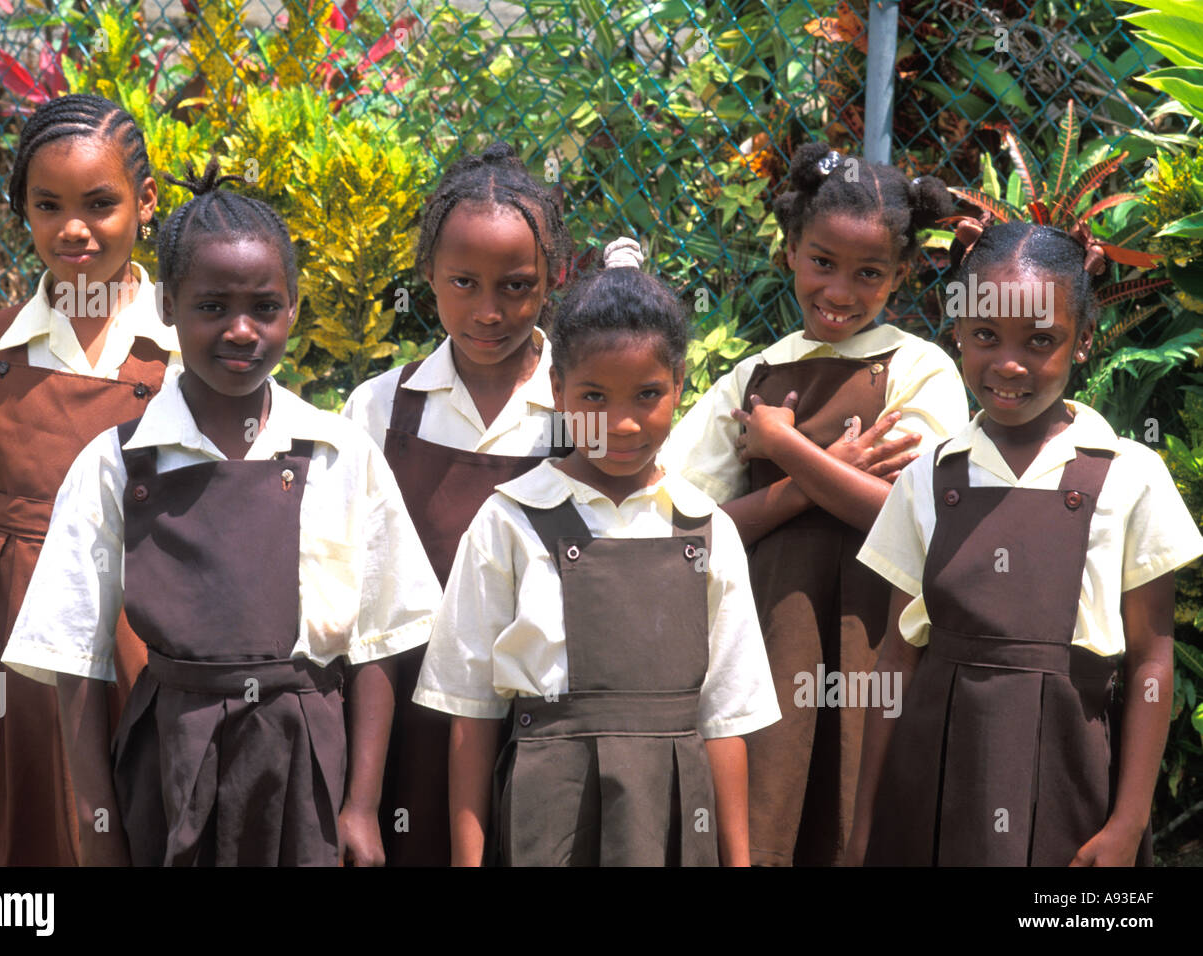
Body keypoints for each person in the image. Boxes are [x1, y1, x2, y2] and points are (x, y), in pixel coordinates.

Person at [1, 161, 440, 866]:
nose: (241, 330)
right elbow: (73, 656)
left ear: (293, 307)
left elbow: (380, 639)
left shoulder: (337, 453)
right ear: (168, 307)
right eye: (211, 308)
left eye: (264, 307)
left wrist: (359, 805)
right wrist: (96, 820)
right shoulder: (116, 464)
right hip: (169, 762)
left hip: (306, 763)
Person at [847, 219, 1203, 866]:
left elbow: (1152, 662)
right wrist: (864, 826)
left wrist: (1128, 823)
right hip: (929, 792)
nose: (1010, 363)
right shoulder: (926, 479)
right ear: (957, 332)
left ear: (1084, 341)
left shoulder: (1130, 476)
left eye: (1041, 341)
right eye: (985, 335)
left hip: (1074, 793)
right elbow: (896, 661)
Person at [662, 142, 969, 865]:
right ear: (791, 249)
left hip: (877, 639)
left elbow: (919, 523)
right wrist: (825, 475)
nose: (840, 289)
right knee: (769, 804)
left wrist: (785, 447)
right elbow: (686, 532)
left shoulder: (919, 368)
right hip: (766, 636)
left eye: (869, 273)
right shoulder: (752, 377)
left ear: (899, 277)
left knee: (859, 804)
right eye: (822, 262)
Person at [415, 265, 780, 866]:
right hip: (550, 816)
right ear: (557, 391)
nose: (625, 424)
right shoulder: (510, 520)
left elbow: (726, 718)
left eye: (647, 394)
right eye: (593, 397)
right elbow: (471, 712)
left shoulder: (706, 528)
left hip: (674, 823)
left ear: (680, 385)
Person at [341, 141, 641, 864]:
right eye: (462, 283)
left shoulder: (583, 409)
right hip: (410, 709)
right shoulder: (380, 409)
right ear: (428, 275)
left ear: (554, 278)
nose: (487, 311)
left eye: (515, 286)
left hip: (547, 719)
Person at [0, 93, 178, 865]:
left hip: (133, 643)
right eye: (47, 205)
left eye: (100, 203)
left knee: (117, 825)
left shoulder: (183, 345)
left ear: (145, 202)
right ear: (23, 208)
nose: (74, 228)